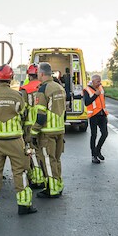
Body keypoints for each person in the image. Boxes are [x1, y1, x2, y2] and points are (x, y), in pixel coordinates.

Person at [0, 65, 36, 216]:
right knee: (20, 172)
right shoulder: (17, 96)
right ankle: (24, 205)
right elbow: (24, 115)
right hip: (15, 141)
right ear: (11, 79)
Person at [29, 62, 67, 198]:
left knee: (48, 160)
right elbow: (64, 111)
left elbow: (40, 115)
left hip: (47, 132)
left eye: (38, 72)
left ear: (42, 74)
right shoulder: (59, 87)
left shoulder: (43, 89)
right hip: (60, 130)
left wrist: (33, 132)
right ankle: (58, 184)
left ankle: (52, 189)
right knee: (56, 159)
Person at [20, 64, 46, 188]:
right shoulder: (44, 87)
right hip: (44, 125)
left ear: (29, 75)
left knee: (31, 152)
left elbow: (22, 111)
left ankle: (37, 178)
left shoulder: (25, 89)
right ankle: (46, 177)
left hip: (29, 126)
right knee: (43, 152)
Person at [83, 74, 108, 164]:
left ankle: (98, 150)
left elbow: (103, 100)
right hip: (93, 115)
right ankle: (94, 155)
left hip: (102, 114)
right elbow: (86, 102)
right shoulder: (87, 90)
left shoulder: (101, 88)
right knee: (94, 135)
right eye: (97, 81)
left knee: (105, 134)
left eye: (100, 81)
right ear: (92, 81)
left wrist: (105, 114)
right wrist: (95, 95)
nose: (99, 83)